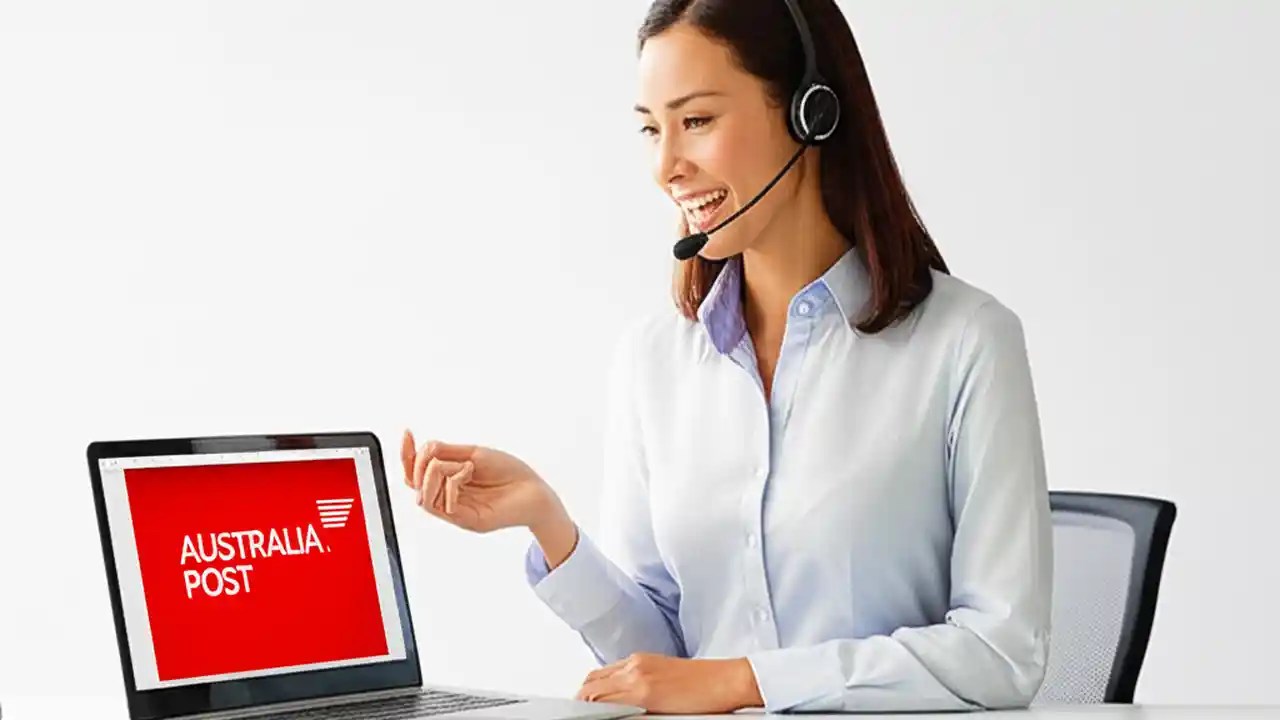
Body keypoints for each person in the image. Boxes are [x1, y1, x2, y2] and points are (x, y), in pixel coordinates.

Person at [401, 0, 1052, 714]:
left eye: (697, 121)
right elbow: (666, 659)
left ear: (812, 113)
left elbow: (1000, 653)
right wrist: (547, 523)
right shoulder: (654, 361)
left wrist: (747, 680)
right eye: (652, 129)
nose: (666, 166)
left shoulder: (966, 343)